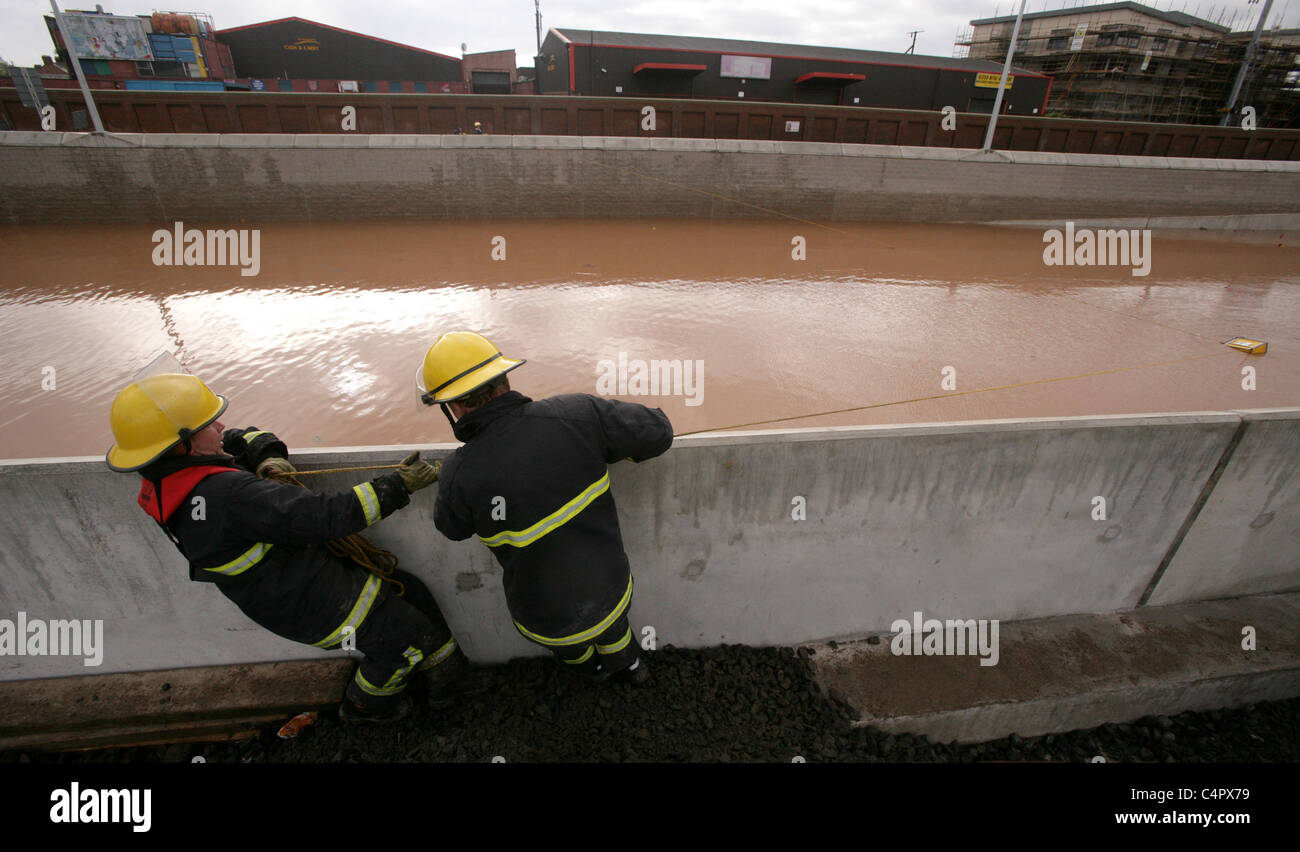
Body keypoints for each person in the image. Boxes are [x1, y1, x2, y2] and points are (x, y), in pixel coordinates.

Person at [106, 372, 466, 723]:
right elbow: (326, 516)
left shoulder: (169, 481)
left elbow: (245, 437)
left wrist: (267, 456)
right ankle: (366, 708)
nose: (220, 426)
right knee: (405, 644)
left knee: (412, 592)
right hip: (310, 603)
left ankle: (445, 682)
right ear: (181, 444)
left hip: (289, 584)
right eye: (208, 424)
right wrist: (397, 486)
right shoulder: (229, 497)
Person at [417, 331, 672, 684]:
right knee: (615, 631)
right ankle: (631, 668)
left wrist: (452, 479)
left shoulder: (459, 472)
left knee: (573, 650)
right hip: (610, 590)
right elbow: (659, 432)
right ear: (504, 378)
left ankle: (593, 673)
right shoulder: (577, 414)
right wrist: (601, 443)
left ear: (455, 407)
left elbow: (452, 528)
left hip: (544, 618)